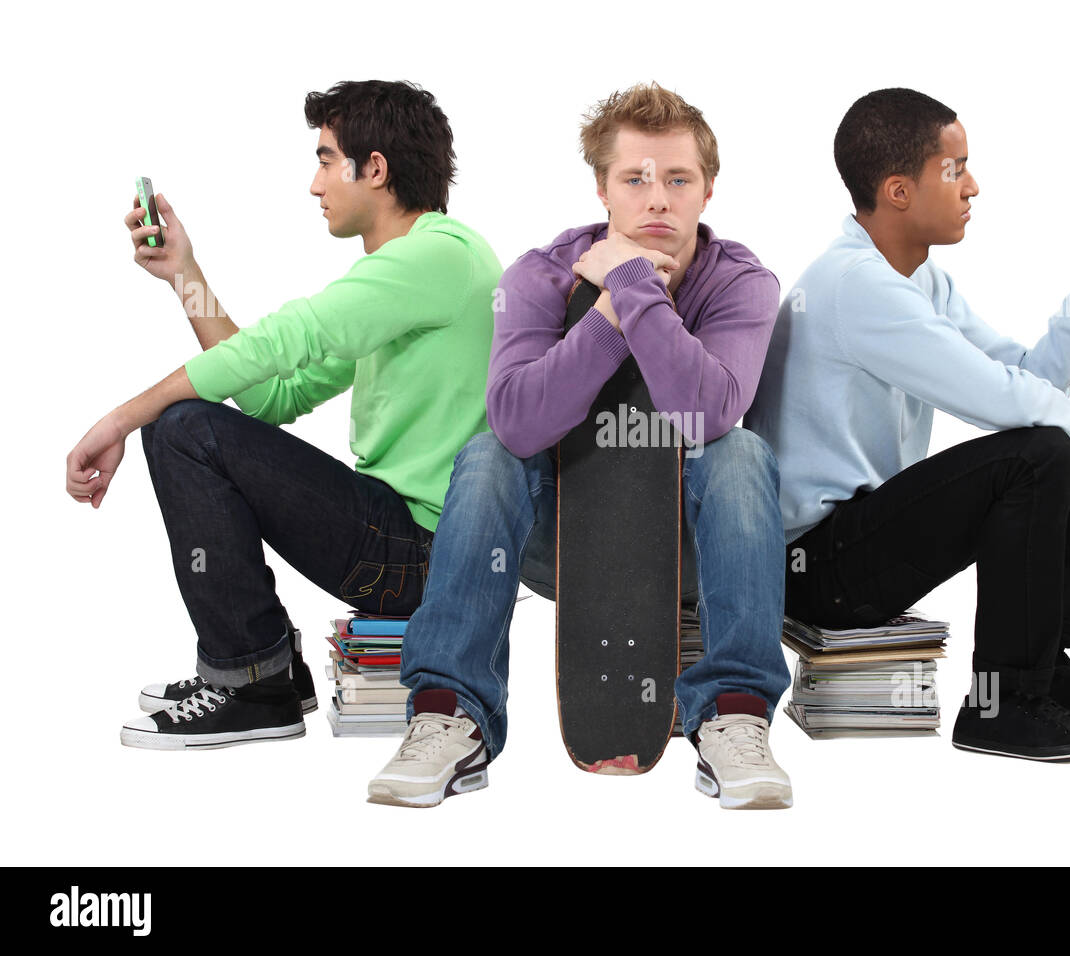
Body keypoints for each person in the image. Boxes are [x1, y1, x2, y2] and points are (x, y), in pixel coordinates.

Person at [367, 82, 793, 810]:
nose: (657, 199)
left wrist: (633, 287)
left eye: (677, 179)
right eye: (635, 179)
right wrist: (604, 316)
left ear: (708, 189)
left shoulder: (741, 283)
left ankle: (734, 720)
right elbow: (517, 422)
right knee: (485, 456)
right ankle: (450, 714)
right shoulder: (538, 274)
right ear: (602, 188)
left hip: (688, 548)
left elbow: (707, 413)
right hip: (559, 545)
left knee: (742, 453)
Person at [65, 79, 501, 750]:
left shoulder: (439, 255)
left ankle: (251, 680)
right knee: (188, 423)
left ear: (375, 169)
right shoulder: (404, 276)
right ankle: (263, 668)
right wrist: (185, 272)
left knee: (180, 426)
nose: (315, 184)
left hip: (425, 552)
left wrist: (120, 418)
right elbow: (273, 396)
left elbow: (286, 336)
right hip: (400, 537)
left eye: (327, 160)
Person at [746, 87, 1070, 763]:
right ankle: (1002, 706)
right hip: (817, 567)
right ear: (898, 190)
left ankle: (1046, 670)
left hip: (864, 537)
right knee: (1047, 449)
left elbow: (1028, 378)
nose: (973, 185)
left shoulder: (918, 279)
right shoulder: (855, 284)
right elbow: (999, 398)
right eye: (955, 168)